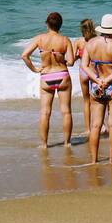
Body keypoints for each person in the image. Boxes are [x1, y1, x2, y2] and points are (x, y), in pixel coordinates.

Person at [21, 12, 76, 146]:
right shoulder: (65, 40)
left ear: (47, 24)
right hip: (62, 75)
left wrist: (34, 69)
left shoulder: (40, 39)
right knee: (66, 111)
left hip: (46, 76)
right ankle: (67, 143)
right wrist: (61, 59)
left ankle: (45, 144)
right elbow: (71, 61)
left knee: (45, 112)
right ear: (60, 25)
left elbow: (24, 55)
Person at [81, 14, 112, 163]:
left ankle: (94, 160)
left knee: (95, 125)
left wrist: (98, 80)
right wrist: (106, 81)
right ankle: (111, 159)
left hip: (96, 86)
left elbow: (84, 66)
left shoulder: (91, 43)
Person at [74, 18, 98, 137]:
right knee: (97, 101)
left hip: (83, 72)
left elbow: (72, 60)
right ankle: (99, 125)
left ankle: (88, 129)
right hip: (94, 72)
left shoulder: (78, 42)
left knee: (86, 101)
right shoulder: (97, 41)